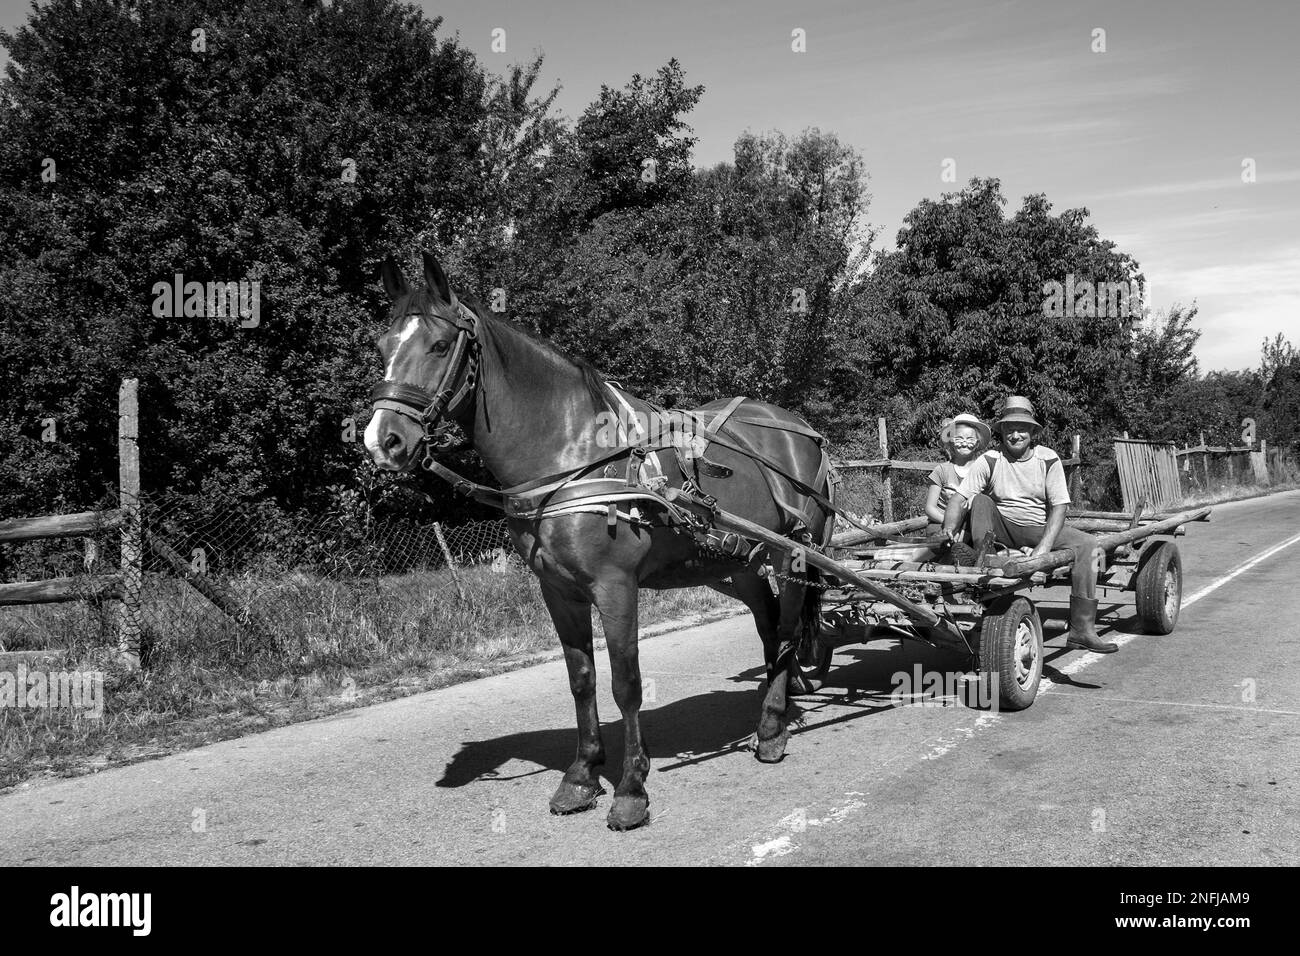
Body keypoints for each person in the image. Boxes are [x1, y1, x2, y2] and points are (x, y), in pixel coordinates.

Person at [940, 396, 1116, 654]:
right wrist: (949, 530)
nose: (1015, 435)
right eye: (1009, 429)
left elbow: (1059, 507)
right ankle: (985, 559)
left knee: (1089, 544)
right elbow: (960, 497)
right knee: (980, 500)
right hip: (1000, 529)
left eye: (1021, 429)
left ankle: (1082, 629)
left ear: (1033, 431)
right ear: (1002, 432)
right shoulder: (990, 459)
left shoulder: (1048, 459)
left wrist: (1044, 547)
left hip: (1037, 528)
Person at [923, 413, 991, 541]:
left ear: (977, 442)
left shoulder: (983, 470)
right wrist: (951, 524)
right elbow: (930, 508)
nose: (964, 443)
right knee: (941, 542)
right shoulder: (941, 470)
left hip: (972, 526)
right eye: (959, 439)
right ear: (951, 441)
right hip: (941, 523)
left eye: (970, 439)